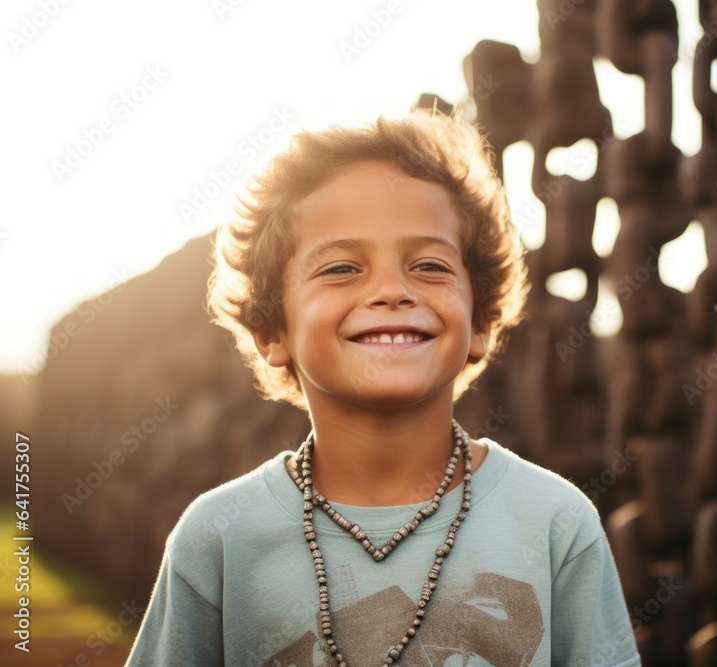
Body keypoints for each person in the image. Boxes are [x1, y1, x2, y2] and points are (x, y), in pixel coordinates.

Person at [126, 109, 640, 666]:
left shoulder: (554, 523)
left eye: (429, 265)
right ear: (272, 329)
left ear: (483, 321)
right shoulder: (221, 539)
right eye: (342, 268)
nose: (392, 290)